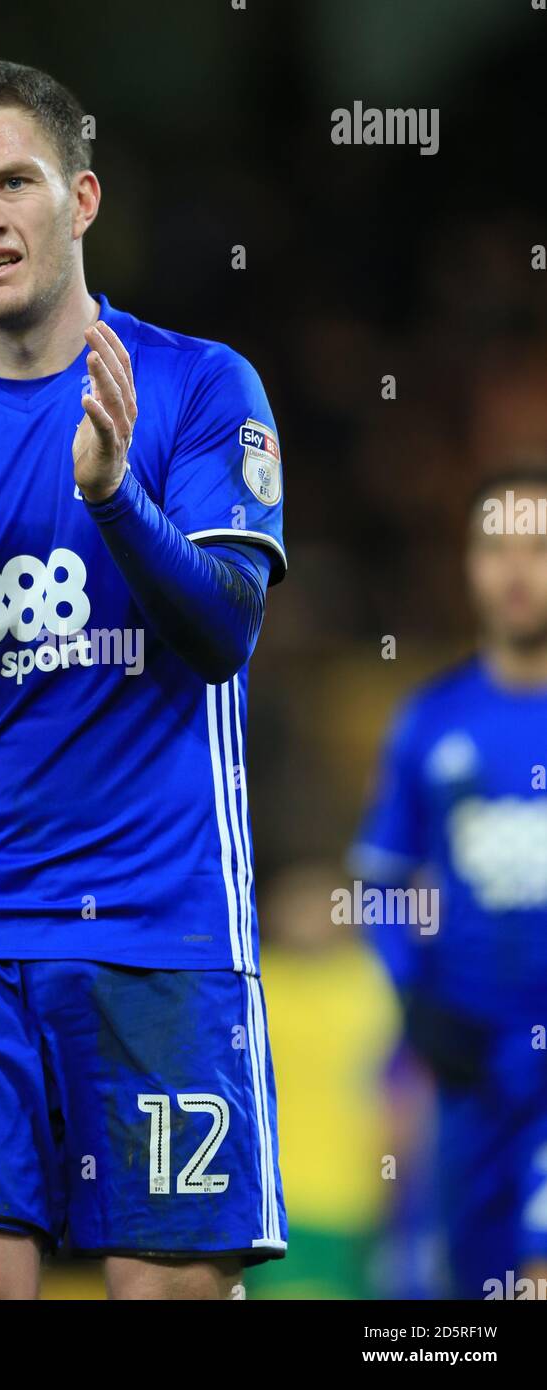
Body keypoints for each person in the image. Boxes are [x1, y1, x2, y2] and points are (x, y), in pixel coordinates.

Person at [0, 59, 288, 1300]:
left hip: (161, 925)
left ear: (78, 198)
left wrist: (112, 498)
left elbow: (221, 634)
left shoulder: (198, 386)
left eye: (10, 181)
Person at [349, 467, 547, 1299]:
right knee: (471, 1289)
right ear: (466, 563)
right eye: (495, 547)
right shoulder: (430, 722)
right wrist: (416, 1004)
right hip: (469, 1065)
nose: (514, 571)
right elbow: (382, 882)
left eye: (538, 549)